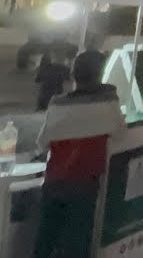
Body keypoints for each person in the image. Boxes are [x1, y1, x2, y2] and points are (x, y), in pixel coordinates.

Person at [34, 50, 124, 258]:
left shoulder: (58, 103)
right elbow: (120, 133)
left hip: (54, 181)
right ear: (99, 75)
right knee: (77, 242)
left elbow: (42, 142)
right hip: (85, 184)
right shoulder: (108, 102)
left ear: (73, 75)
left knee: (46, 239)